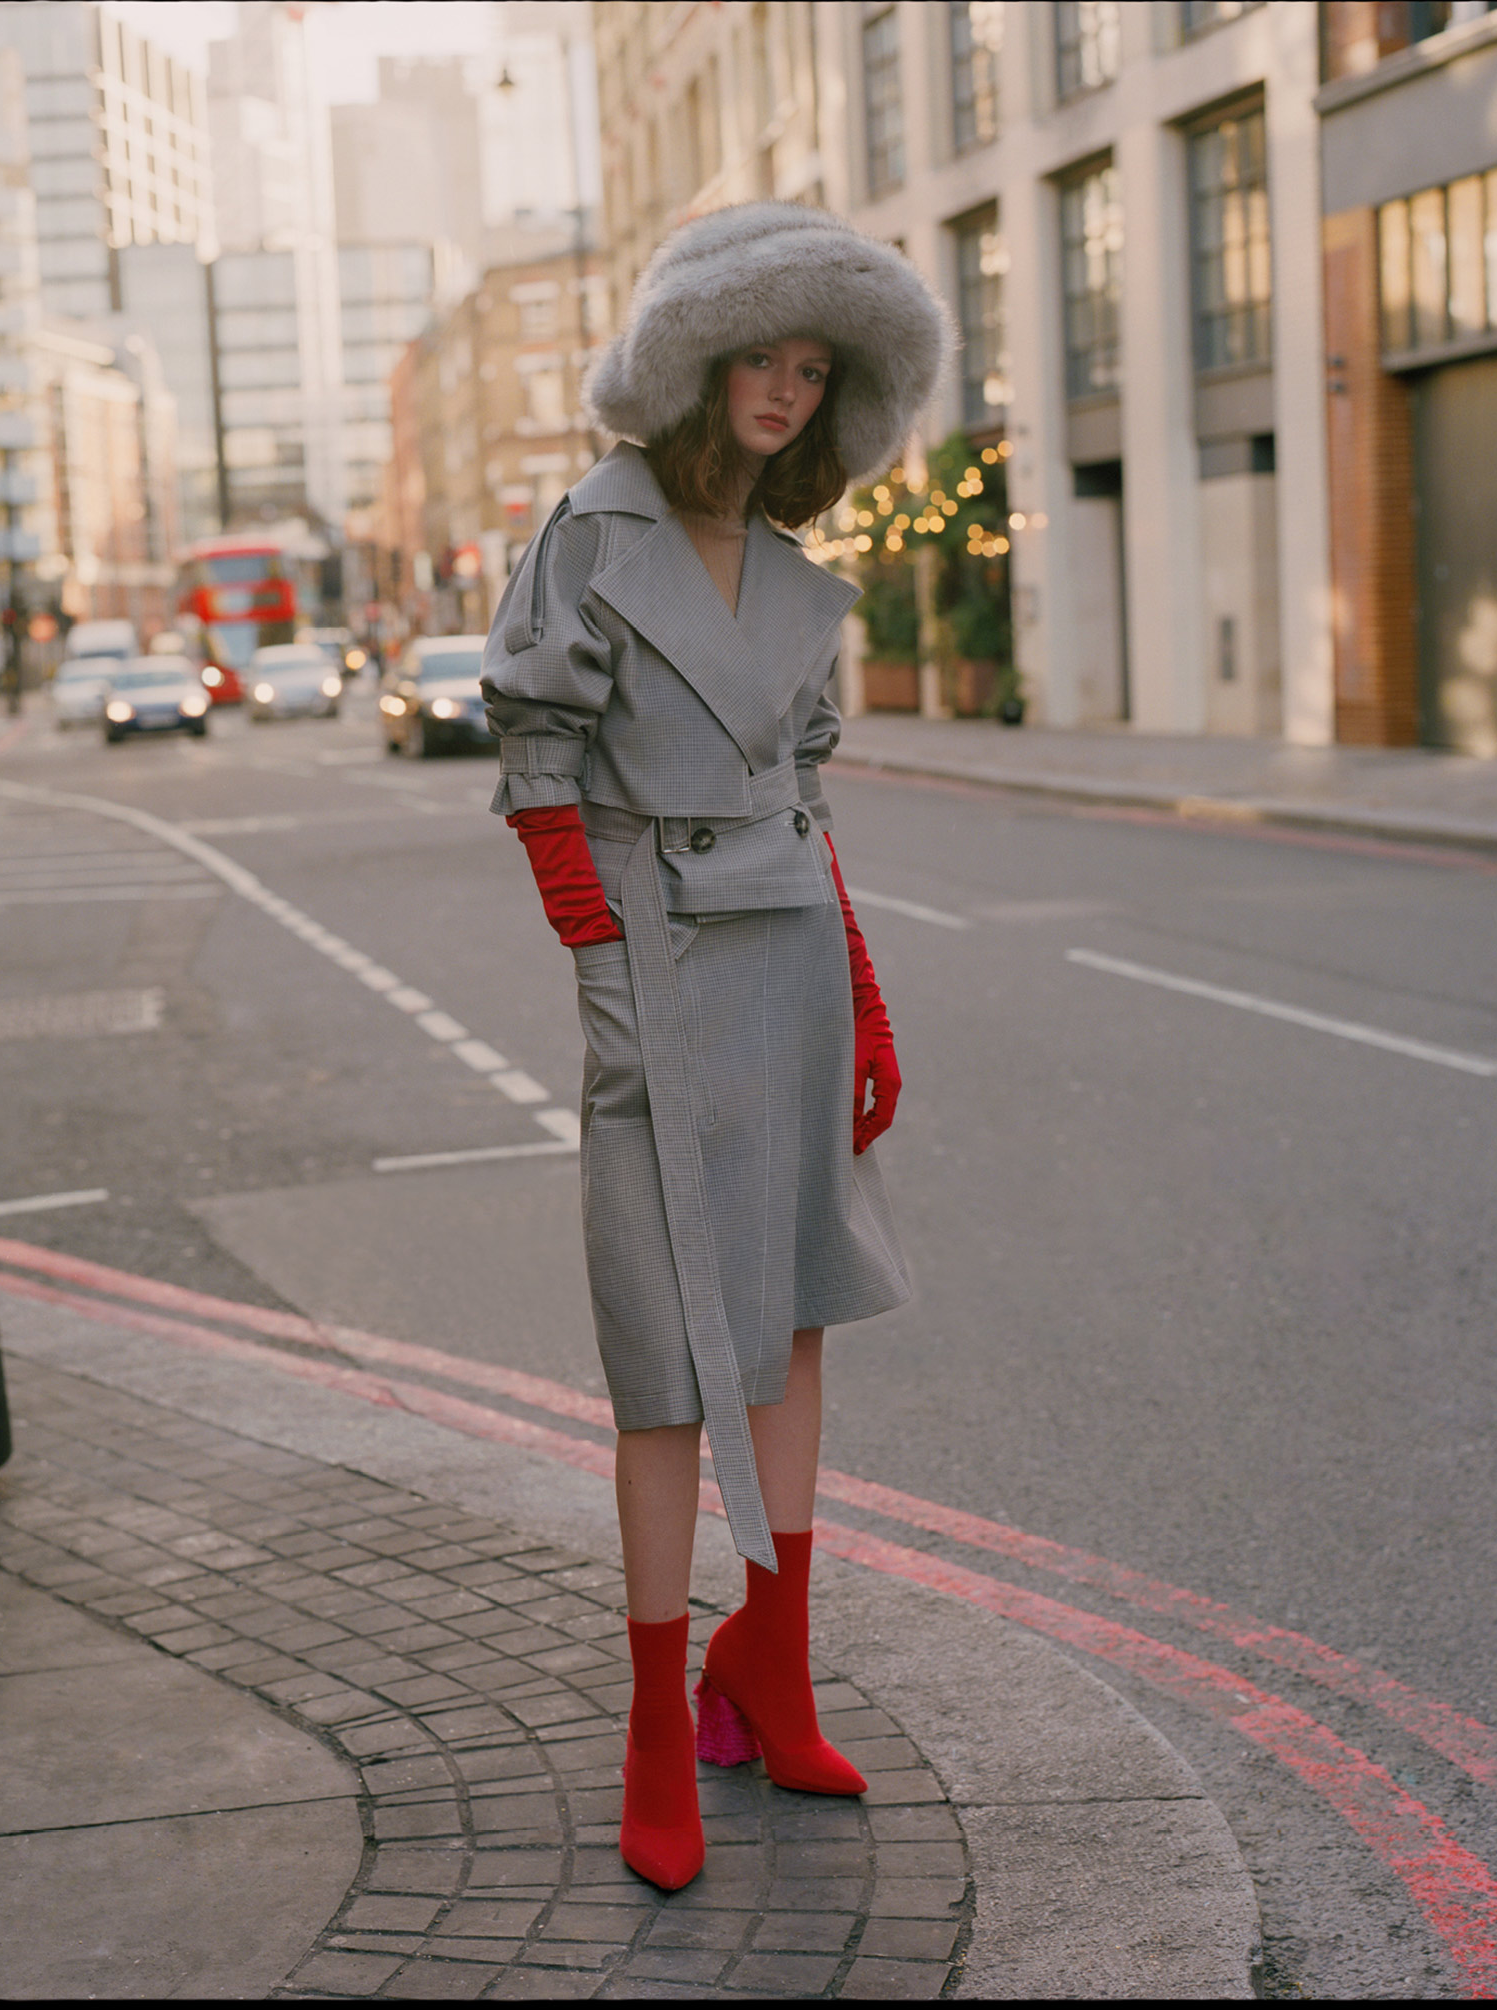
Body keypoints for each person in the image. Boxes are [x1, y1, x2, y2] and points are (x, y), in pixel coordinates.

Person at [480, 201, 952, 1890]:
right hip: (661, 956)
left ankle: (772, 1659)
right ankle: (655, 1728)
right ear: (692, 360)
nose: (784, 391)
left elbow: (806, 793)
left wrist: (867, 991)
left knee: (792, 1310)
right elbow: (537, 755)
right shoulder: (594, 531)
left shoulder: (791, 565)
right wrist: (605, 967)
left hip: (794, 951)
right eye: (760, 356)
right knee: (667, 1349)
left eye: (813, 370)